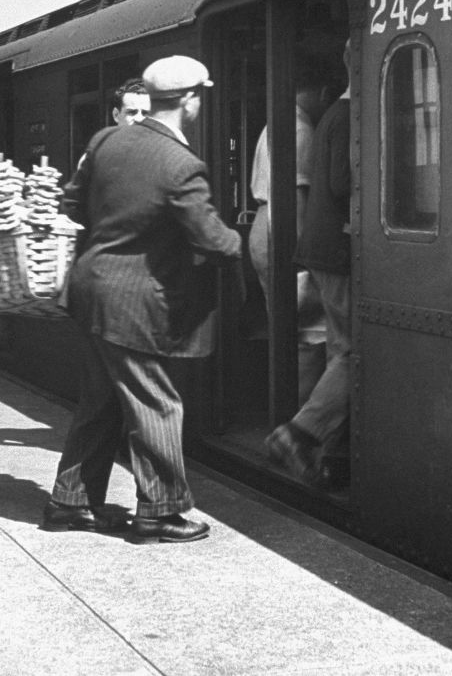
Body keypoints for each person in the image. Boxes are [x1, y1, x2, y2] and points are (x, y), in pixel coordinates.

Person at [45, 55, 241, 543]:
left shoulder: (106, 140)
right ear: (192, 100)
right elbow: (212, 241)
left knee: (102, 399)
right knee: (157, 402)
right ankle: (160, 510)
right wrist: (251, 244)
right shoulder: (180, 164)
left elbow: (71, 202)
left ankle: (70, 501)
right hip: (132, 301)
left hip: (88, 289)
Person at [265, 39, 354, 489]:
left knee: (338, 346)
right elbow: (341, 184)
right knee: (351, 349)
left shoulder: (321, 119)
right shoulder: (342, 116)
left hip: (316, 249)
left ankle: (324, 445)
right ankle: (301, 433)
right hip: (330, 251)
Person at [248, 59, 329, 404]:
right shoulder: (301, 129)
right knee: (311, 334)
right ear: (321, 92)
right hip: (282, 230)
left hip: (262, 228)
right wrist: (302, 261)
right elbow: (294, 200)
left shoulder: (277, 123)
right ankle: (299, 419)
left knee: (288, 329)